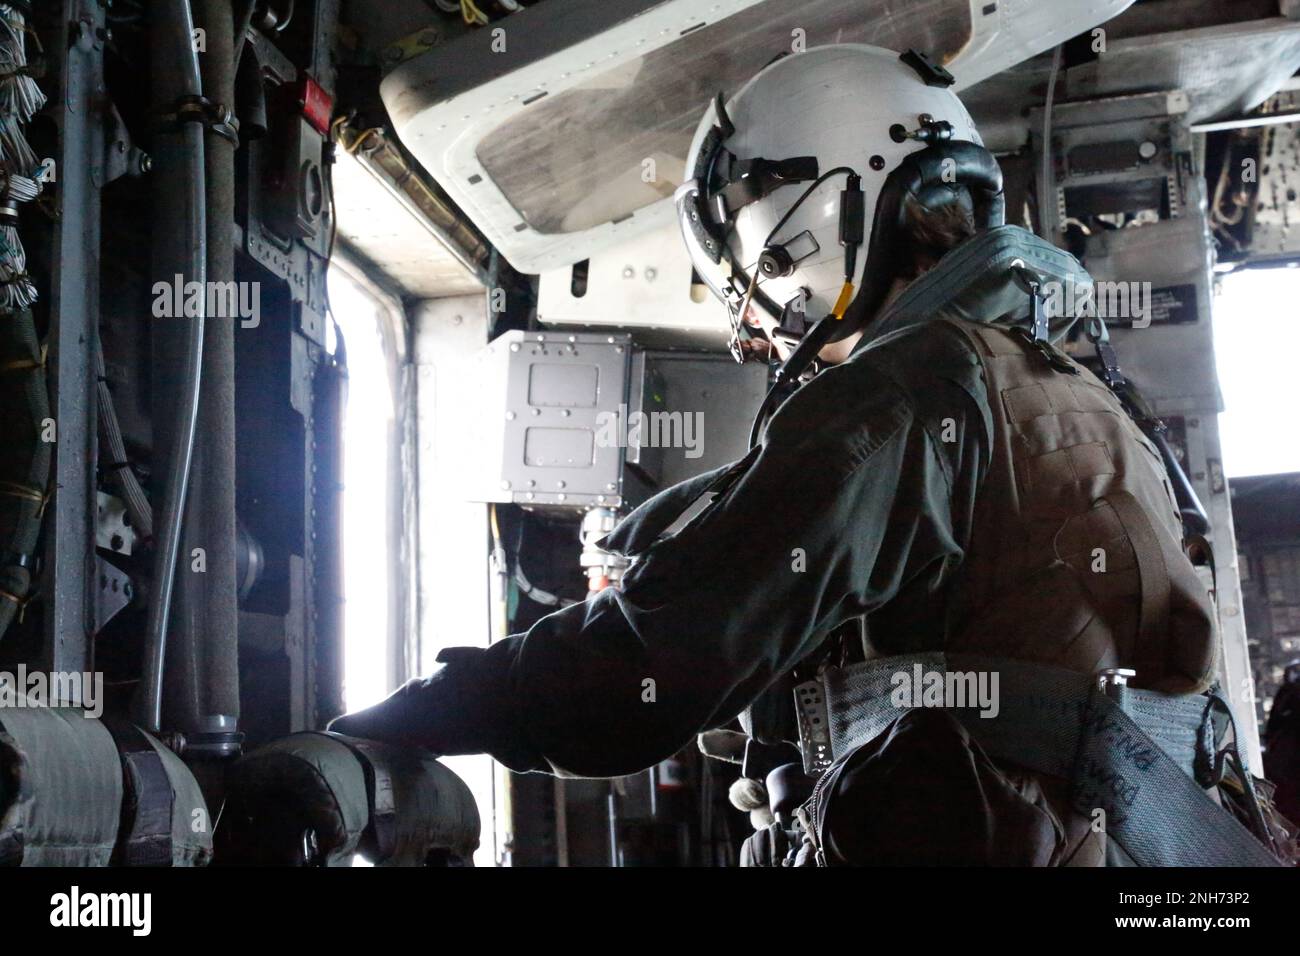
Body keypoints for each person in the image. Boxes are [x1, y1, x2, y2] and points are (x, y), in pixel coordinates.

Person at [330, 45, 1274, 866]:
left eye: (745, 264)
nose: (750, 322)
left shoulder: (911, 384)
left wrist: (420, 713)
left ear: (817, 208)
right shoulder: (1066, 386)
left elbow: (651, 669)